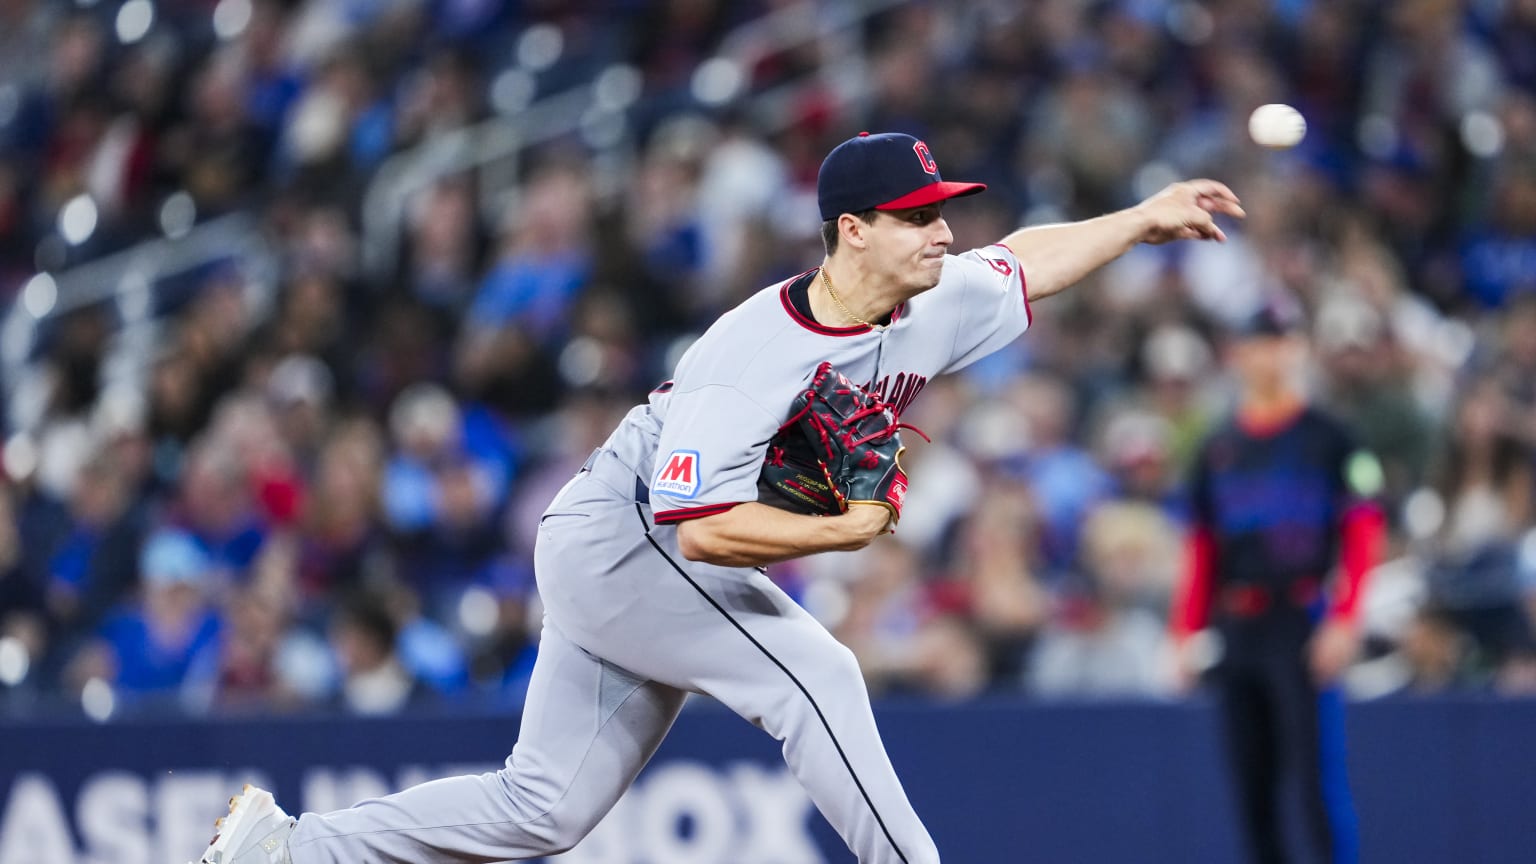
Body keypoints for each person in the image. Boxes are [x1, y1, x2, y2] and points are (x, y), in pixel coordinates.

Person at [197, 131, 1243, 864]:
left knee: (545, 808)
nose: (941, 232)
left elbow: (1027, 263)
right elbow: (702, 534)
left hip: (635, 542)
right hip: (630, 537)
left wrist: (1144, 219)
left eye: (941, 213)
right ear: (850, 231)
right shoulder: (753, 352)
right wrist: (839, 530)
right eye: (916, 217)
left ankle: (290, 850)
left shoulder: (928, 295)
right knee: (814, 673)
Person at [1170, 304, 1386, 864]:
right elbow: (1202, 547)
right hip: (1238, 625)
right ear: (1239, 354)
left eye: (1284, 340)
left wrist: (1345, 618)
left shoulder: (1332, 436)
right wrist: (1183, 633)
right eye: (1262, 341)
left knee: (1316, 785)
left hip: (1301, 620)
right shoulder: (1218, 446)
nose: (1273, 353)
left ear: (1299, 350)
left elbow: (1364, 529)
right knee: (1252, 788)